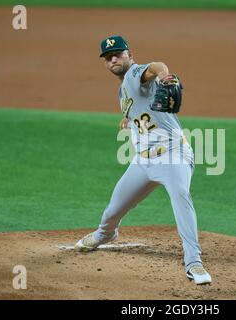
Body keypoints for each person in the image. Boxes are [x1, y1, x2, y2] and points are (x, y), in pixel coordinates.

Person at [74, 35, 212, 285]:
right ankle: (105, 235)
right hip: (142, 163)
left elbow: (156, 66)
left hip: (172, 157)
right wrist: (127, 119)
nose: (113, 58)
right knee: (112, 210)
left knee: (181, 198)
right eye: (108, 57)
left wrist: (164, 75)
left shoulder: (135, 73)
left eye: (118, 53)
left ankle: (194, 262)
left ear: (129, 54)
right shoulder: (122, 90)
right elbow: (137, 109)